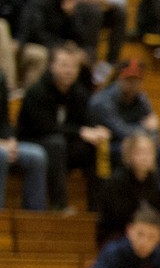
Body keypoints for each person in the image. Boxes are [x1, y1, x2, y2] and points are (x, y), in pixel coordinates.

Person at [17, 43, 108, 209]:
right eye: (64, 65)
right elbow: (46, 127)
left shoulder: (79, 93)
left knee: (96, 147)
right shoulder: (37, 91)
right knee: (56, 143)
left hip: (64, 144)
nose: (69, 70)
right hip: (33, 140)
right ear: (52, 66)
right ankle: (60, 205)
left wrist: (97, 131)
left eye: (73, 66)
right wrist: (81, 132)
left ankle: (97, 211)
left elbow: (87, 124)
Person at [87, 56, 160, 163]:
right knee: (132, 152)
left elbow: (155, 132)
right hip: (104, 146)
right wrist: (145, 128)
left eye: (136, 80)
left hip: (131, 143)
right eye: (129, 80)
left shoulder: (141, 98)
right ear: (119, 79)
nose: (133, 84)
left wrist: (150, 136)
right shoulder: (103, 101)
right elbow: (121, 131)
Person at [0, 62, 46, 209]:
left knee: (37, 156)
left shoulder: (0, 77)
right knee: (1, 155)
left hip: (2, 143)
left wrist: (11, 139)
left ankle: (34, 222)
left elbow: (5, 120)